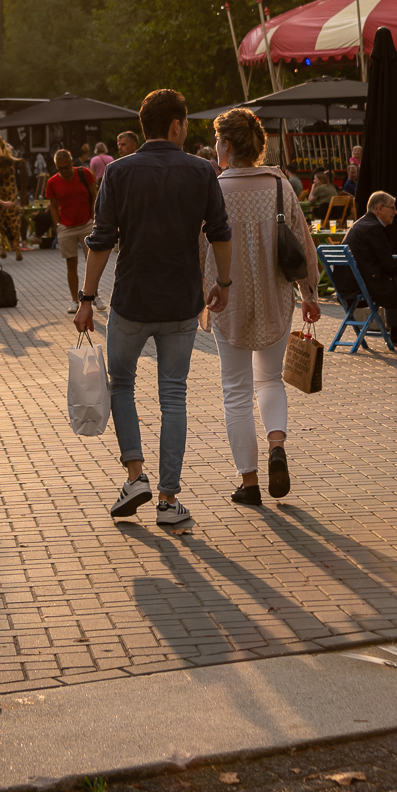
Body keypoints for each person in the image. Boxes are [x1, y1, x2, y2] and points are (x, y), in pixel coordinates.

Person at [77, 89, 232, 529]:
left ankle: (134, 477)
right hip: (182, 300)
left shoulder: (118, 172)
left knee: (121, 384)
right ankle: (168, 499)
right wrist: (222, 283)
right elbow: (220, 232)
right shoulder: (202, 170)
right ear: (177, 125)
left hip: (132, 298)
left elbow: (101, 239)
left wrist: (87, 299)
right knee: (173, 395)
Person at [206, 108, 320, 506]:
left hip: (228, 301)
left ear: (228, 145)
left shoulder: (215, 190)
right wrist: (309, 293)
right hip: (276, 297)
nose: (216, 147)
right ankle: (276, 445)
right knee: (270, 380)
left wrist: (197, 295)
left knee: (236, 391)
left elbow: (200, 246)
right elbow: (302, 242)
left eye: (218, 140)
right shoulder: (280, 185)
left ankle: (249, 481)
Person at [342, 191, 397, 348]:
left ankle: (396, 329)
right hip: (368, 284)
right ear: (379, 208)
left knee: (391, 278)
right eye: (392, 208)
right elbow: (388, 263)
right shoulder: (374, 228)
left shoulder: (360, 224)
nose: (396, 212)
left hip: (352, 284)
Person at [43, 148, 98, 313]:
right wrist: (58, 225)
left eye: (66, 167)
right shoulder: (52, 182)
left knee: (92, 262)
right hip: (66, 226)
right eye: (60, 168)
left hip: (86, 223)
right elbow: (53, 206)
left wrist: (93, 217)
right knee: (71, 263)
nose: (64, 171)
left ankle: (94, 295)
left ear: (72, 163)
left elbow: (95, 195)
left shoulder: (85, 174)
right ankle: (74, 300)